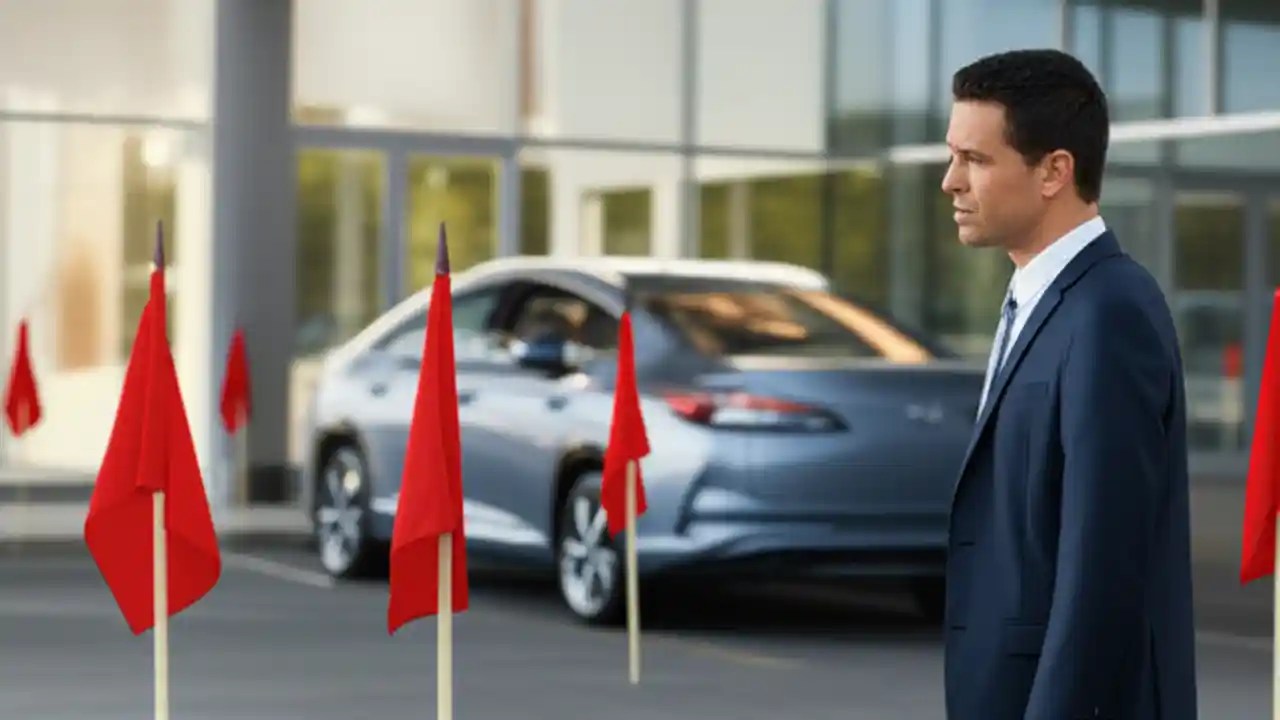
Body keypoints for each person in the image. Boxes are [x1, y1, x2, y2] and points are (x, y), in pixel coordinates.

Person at [941, 48, 1197, 719]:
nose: (950, 181)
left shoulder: (1109, 312)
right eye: (952, 155)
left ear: (1055, 170)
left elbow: (1102, 569)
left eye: (976, 159)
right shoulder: (1040, 301)